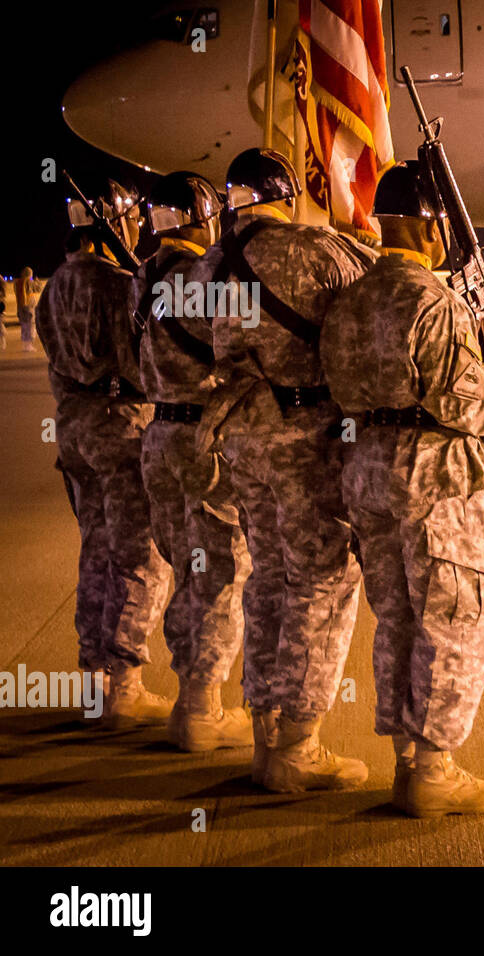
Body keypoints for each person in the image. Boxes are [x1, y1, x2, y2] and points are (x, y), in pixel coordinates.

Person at [320, 162, 484, 817]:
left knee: (398, 622)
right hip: (436, 478)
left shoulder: (351, 297)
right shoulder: (431, 298)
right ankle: (435, 771)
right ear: (429, 227)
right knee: (455, 623)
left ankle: (407, 766)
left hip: (368, 473)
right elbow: (464, 402)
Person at [192, 147, 375, 791]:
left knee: (267, 575)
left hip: (243, 439)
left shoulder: (209, 264)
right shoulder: (308, 249)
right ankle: (300, 744)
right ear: (284, 192)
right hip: (305, 439)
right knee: (322, 581)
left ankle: (266, 731)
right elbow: (377, 297)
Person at [34, 175, 174, 726]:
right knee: (139, 556)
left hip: (74, 428)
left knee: (95, 549)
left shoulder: (53, 288)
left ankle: (91, 675)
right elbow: (139, 365)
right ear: (114, 220)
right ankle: (126, 683)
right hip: (121, 428)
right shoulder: (119, 284)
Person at [133, 171, 252, 752]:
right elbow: (241, 349)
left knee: (187, 569)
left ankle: (190, 700)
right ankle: (202, 708)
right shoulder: (201, 278)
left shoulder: (141, 279)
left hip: (157, 436)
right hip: (201, 441)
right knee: (218, 575)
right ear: (203, 217)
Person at [16, 268, 38, 352]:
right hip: (29, 307)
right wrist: (37, 281)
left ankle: (25, 346)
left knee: (24, 327)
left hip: (21, 308)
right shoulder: (29, 281)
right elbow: (38, 289)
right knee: (30, 326)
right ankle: (29, 346)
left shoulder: (18, 282)